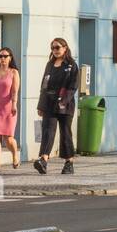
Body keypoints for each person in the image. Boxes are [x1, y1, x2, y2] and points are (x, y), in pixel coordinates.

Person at [34, 38, 79, 175]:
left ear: (65, 48)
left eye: (57, 47)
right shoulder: (50, 64)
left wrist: (63, 101)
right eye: (52, 48)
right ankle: (43, 159)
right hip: (49, 102)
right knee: (48, 131)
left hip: (65, 104)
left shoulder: (71, 65)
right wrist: (41, 105)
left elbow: (73, 87)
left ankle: (69, 162)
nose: (55, 50)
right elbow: (44, 85)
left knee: (65, 133)